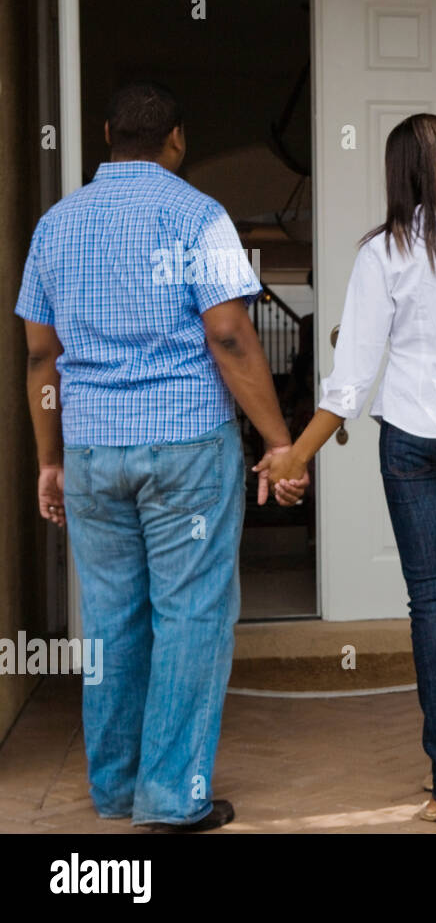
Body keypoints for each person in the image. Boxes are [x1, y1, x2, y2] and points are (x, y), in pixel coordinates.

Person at [16, 80, 293, 831]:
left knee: (110, 621)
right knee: (191, 617)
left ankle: (115, 789)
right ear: (177, 140)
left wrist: (50, 461)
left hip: (92, 449)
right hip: (184, 450)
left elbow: (42, 359)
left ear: (106, 133)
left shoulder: (56, 225)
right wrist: (277, 441)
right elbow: (230, 335)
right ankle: (171, 798)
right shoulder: (198, 217)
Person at [267, 113, 436, 827]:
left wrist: (298, 454)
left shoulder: (384, 252)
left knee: (432, 603)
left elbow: (350, 381)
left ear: (402, 173)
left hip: (414, 441)